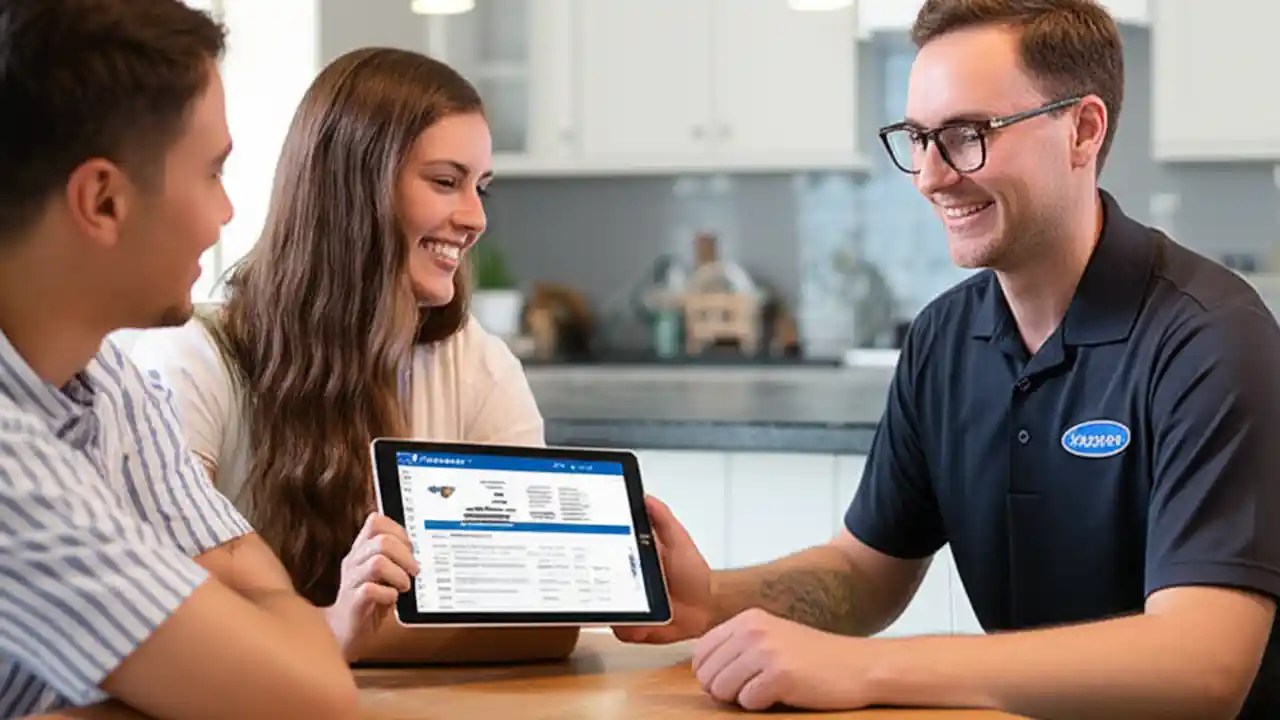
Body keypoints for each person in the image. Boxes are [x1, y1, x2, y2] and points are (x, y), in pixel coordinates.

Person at [615, 1, 1280, 717]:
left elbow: (1201, 666)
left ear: (1083, 130)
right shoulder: (944, 337)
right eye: (918, 138)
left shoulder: (1211, 339)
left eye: (968, 135)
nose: (930, 176)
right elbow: (865, 572)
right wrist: (712, 597)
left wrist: (866, 670)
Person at [128, 46, 578, 663]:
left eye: (480, 188)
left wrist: (337, 634)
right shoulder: (195, 360)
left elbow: (548, 623)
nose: (475, 218)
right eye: (446, 182)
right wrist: (336, 629)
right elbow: (158, 620)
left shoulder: (476, 363)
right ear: (351, 188)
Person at [0, 1, 360, 718]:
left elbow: (277, 622)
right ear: (103, 200)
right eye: (213, 173)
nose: (226, 213)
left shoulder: (110, 381)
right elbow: (310, 696)